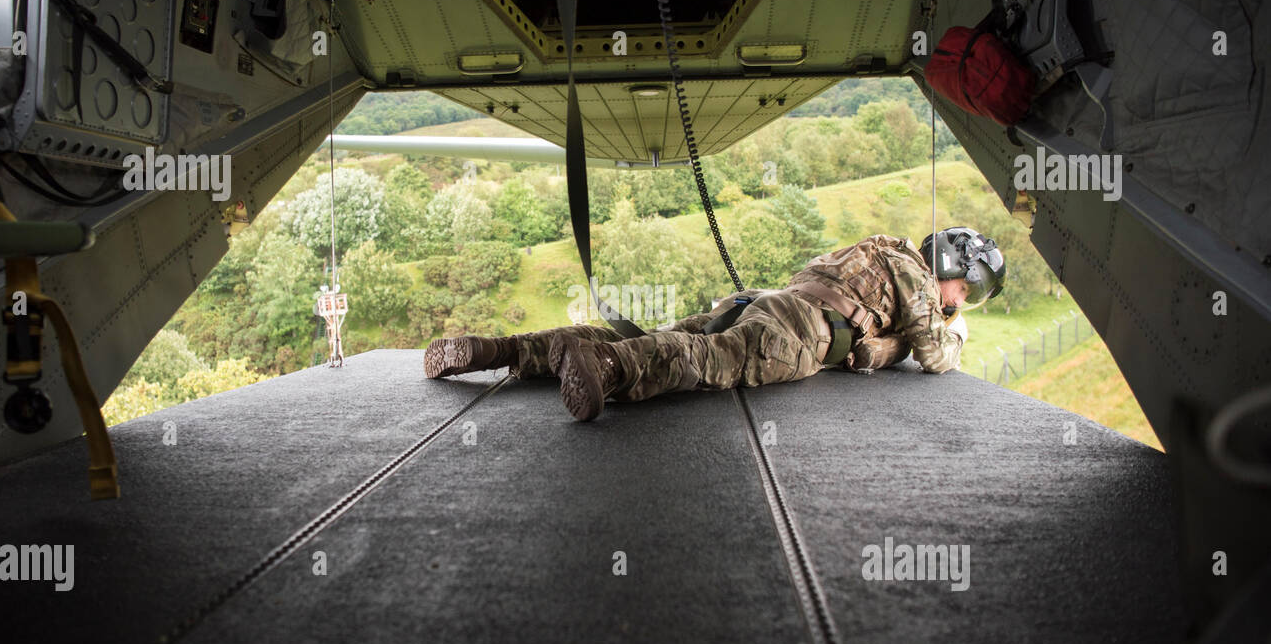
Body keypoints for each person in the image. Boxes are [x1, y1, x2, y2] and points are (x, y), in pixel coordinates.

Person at [425, 227, 1005, 421]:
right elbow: (936, 358)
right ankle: (607, 369)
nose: (956, 301)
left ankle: (496, 350)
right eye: (962, 293)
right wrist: (953, 332)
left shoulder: (882, 251)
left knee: (652, 335)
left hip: (760, 300)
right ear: (959, 277)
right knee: (710, 362)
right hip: (799, 329)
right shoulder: (917, 280)